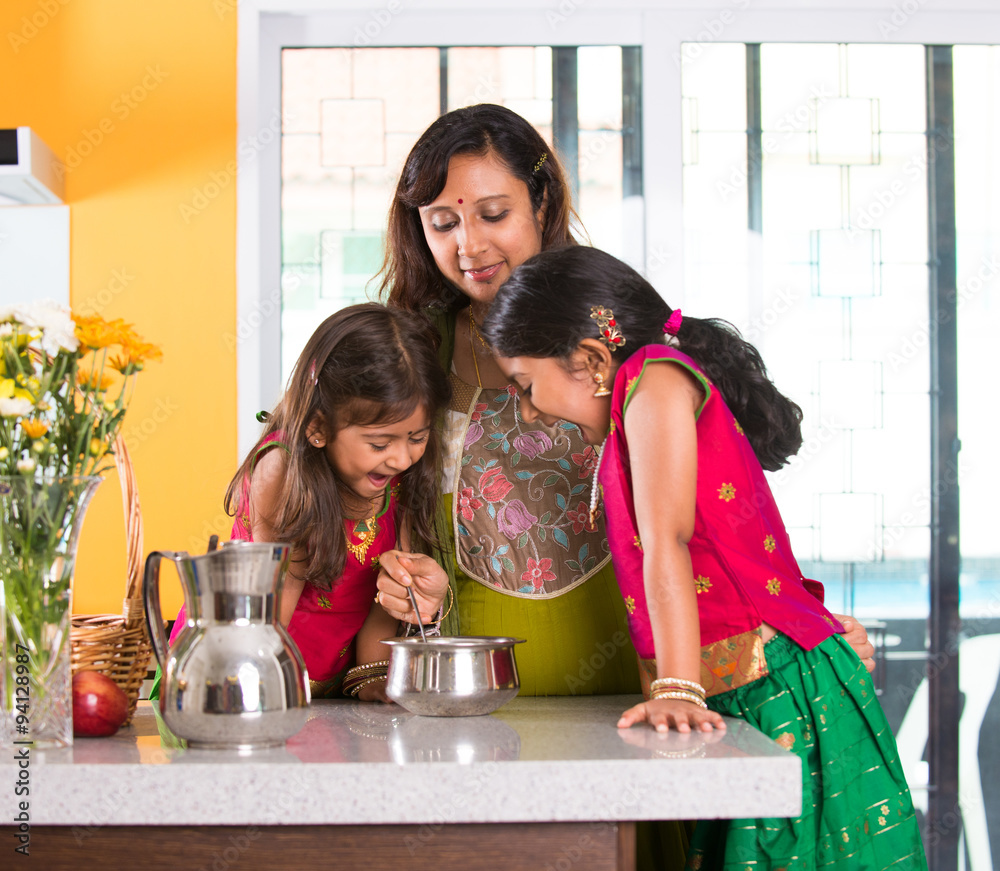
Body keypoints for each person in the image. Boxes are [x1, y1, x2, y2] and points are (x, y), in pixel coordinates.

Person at [379, 102, 875, 693]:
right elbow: (328, 474)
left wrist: (802, 625)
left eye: (493, 214)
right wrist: (406, 584)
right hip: (477, 693)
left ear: (541, 203)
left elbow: (724, 510)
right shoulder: (407, 353)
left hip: (655, 683)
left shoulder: (618, 344)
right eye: (443, 224)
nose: (471, 245)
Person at [482, 245, 927, 870]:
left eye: (526, 385)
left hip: (774, 689)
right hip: (752, 687)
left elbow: (671, 540)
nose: (528, 410)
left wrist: (679, 690)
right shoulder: (639, 394)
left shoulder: (654, 378)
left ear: (588, 359)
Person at [152, 304, 452, 701]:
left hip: (326, 692)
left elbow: (386, 598)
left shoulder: (401, 475)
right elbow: (265, 619)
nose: (401, 458)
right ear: (318, 428)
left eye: (417, 437)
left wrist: (373, 682)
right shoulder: (281, 472)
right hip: (244, 680)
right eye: (380, 443)